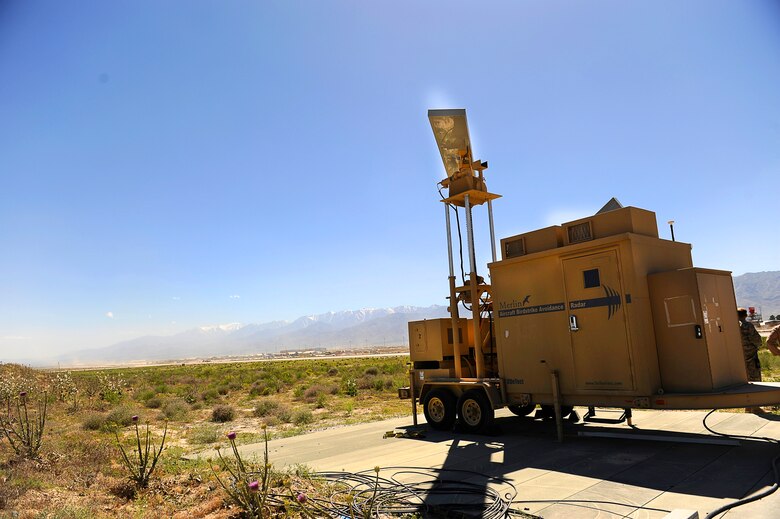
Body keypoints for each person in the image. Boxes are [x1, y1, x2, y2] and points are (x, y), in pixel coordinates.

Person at [738, 308, 763, 382]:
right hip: (751, 356)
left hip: (738, 357)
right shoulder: (748, 325)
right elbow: (757, 340)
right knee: (754, 378)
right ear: (745, 315)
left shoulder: (732, 326)